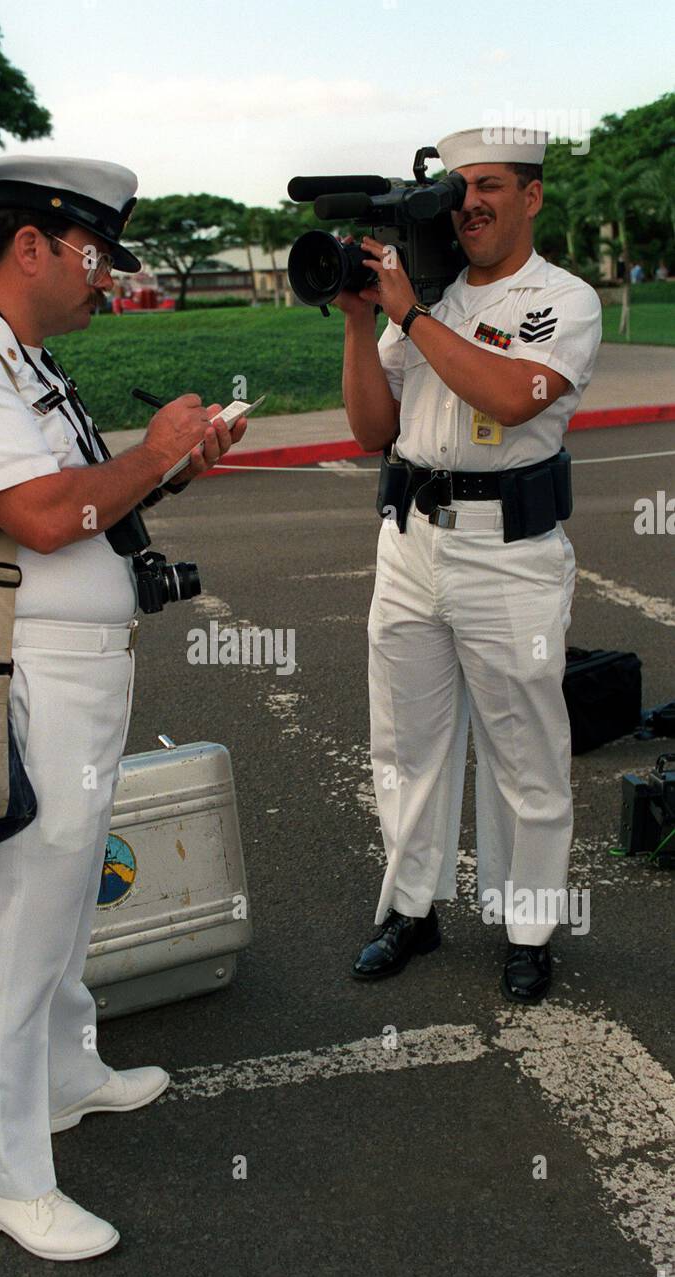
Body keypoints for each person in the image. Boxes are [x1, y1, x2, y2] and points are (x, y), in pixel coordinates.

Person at [0, 155, 247, 1261]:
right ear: (35, 241)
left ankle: (61, 1072)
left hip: (81, 666)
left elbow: (92, 503)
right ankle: (1, 1174)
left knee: (64, 903)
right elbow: (45, 516)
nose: (108, 282)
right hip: (25, 673)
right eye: (98, 257)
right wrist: (150, 449)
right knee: (14, 927)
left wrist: (171, 463)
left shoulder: (21, 358)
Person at [337, 128, 602, 1003]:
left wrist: (410, 313)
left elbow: (507, 395)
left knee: (523, 746)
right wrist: (359, 322)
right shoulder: (436, 299)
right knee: (405, 745)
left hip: (506, 550)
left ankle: (528, 926)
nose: (471, 203)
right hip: (410, 540)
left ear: (532, 196)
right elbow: (373, 430)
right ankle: (410, 908)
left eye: (491, 185)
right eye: (460, 188)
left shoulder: (563, 299)